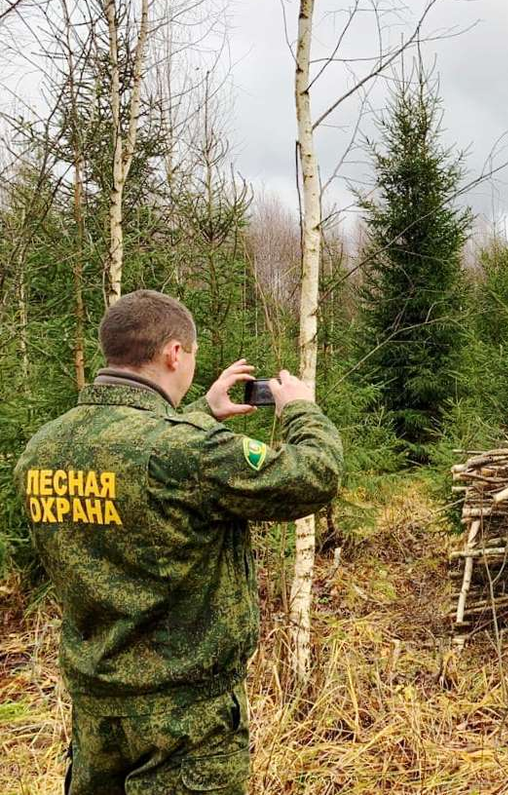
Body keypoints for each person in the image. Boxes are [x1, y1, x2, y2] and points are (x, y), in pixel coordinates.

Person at [14, 290, 343, 794]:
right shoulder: (186, 452)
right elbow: (313, 475)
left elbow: (140, 461)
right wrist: (301, 411)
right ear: (173, 353)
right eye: (188, 355)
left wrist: (201, 413)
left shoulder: (45, 447)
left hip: (96, 711)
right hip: (187, 721)